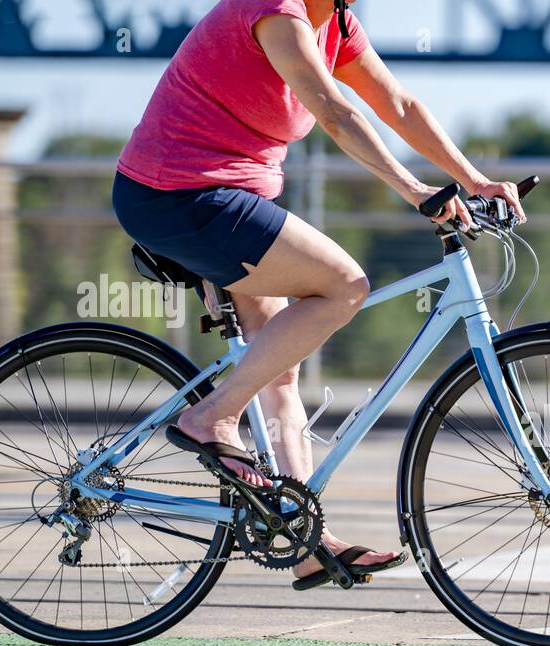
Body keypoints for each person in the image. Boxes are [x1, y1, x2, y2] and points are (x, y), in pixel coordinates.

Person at [113, 0, 526, 585]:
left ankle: (303, 536)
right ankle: (209, 418)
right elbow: (333, 111)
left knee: (278, 370)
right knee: (343, 285)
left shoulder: (338, 25)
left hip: (235, 199)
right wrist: (415, 190)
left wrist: (473, 179)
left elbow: (400, 106)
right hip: (180, 194)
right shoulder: (275, 12)